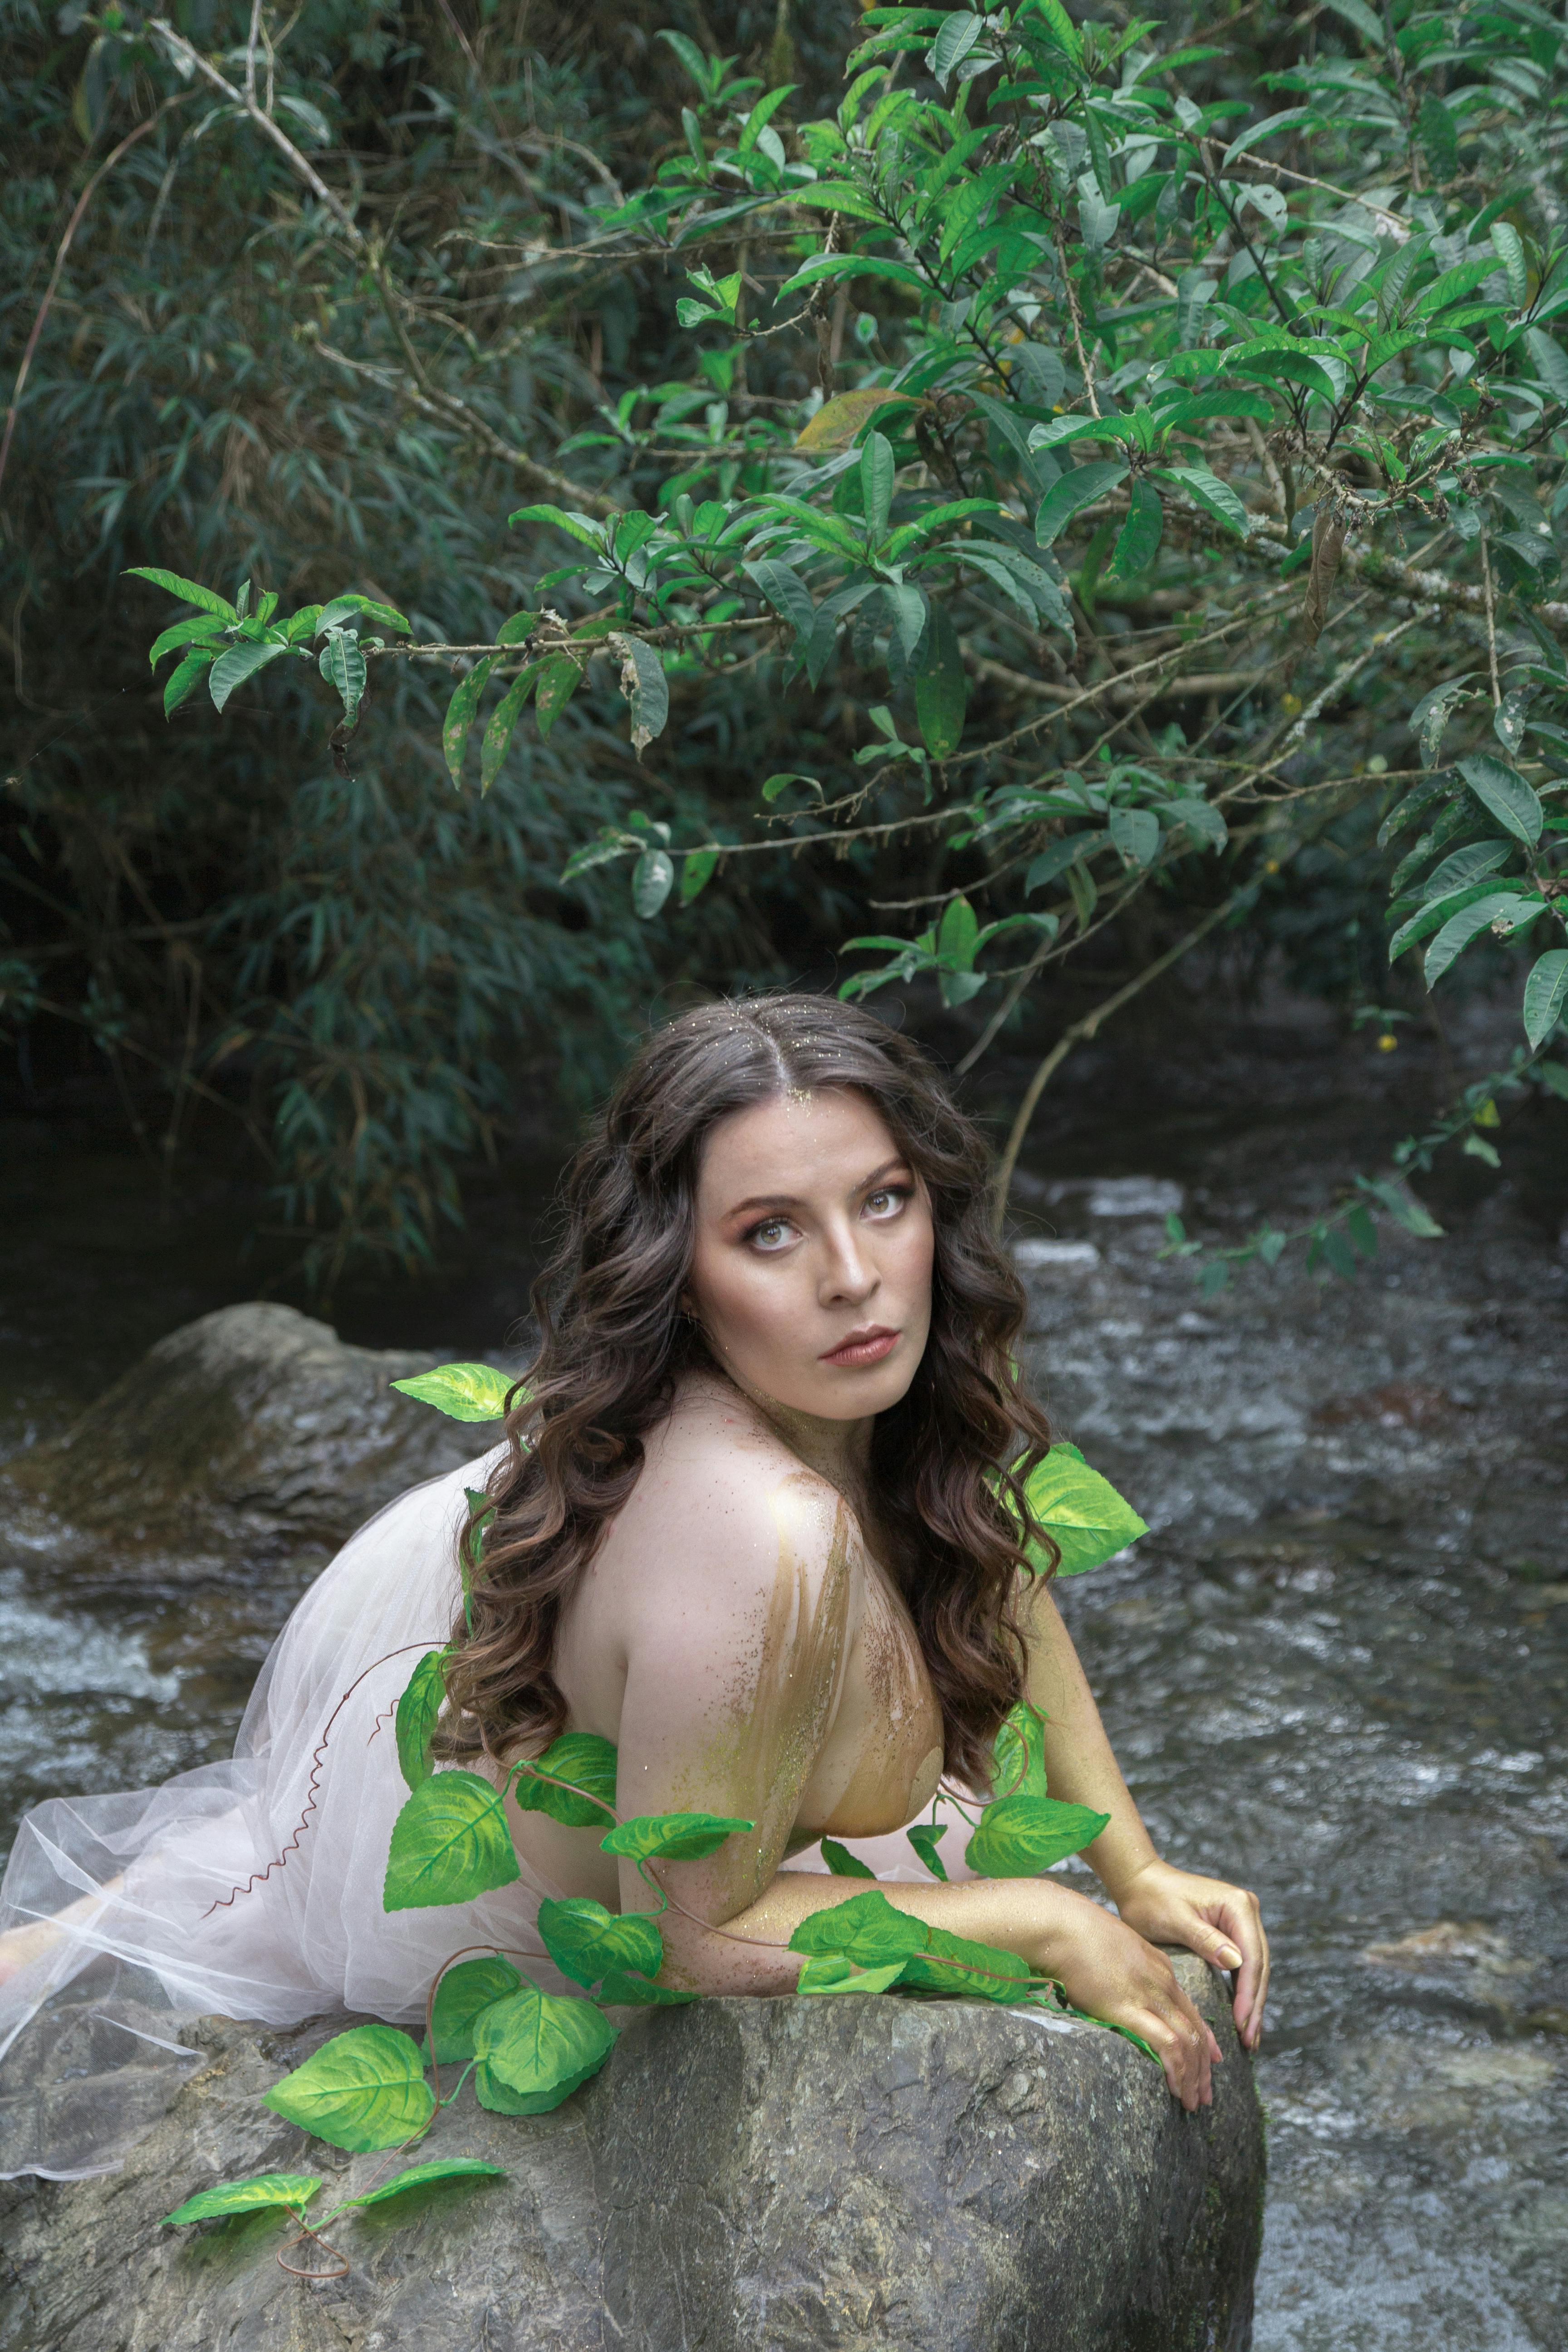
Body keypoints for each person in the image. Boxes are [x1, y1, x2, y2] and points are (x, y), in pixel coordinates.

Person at [0, 994, 1267, 2180]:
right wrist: (1048, 1921)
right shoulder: (762, 1532)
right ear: (679, 1271)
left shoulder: (860, 1391)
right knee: (181, 1930)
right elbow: (690, 1939)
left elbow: (984, 1560)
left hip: (678, 1726)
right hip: (572, 1883)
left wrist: (1134, 1868)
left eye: (884, 1201)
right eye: (770, 1232)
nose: (852, 1274)